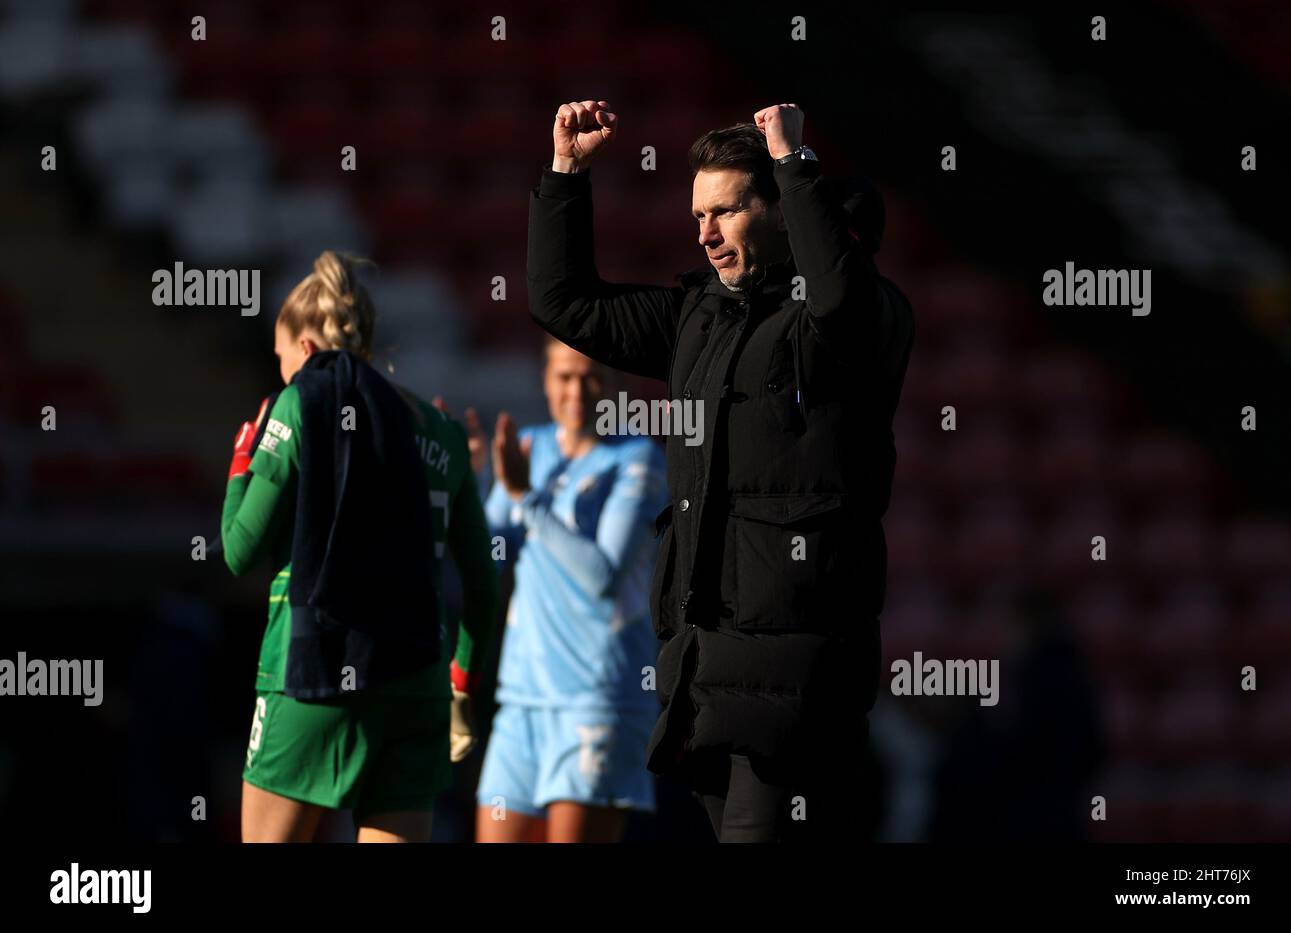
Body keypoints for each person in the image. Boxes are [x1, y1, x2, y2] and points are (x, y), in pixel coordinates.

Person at [527, 101, 914, 841]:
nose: (703, 233)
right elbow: (563, 301)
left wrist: (792, 161)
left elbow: (836, 297)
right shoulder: (699, 316)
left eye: (726, 212)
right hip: (701, 671)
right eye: (697, 215)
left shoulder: (856, 317)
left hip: (797, 675)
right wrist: (567, 173)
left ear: (781, 210)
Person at [221, 251, 498, 842]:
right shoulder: (442, 430)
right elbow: (483, 584)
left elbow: (239, 550)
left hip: (309, 674)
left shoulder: (300, 401)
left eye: (281, 358)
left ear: (304, 347)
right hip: (417, 684)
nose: (282, 373)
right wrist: (461, 686)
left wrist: (243, 458)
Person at [472, 337, 667, 843]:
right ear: (545, 379)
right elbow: (486, 553)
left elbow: (601, 575)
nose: (576, 390)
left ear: (615, 385)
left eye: (590, 377)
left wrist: (525, 498)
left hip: (597, 699)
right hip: (521, 699)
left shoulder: (637, 457)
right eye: (564, 376)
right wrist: (469, 486)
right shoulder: (529, 452)